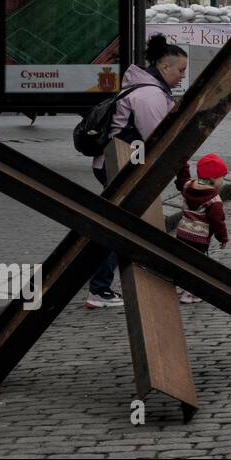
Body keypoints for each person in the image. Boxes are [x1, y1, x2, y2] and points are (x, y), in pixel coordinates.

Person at [85, 33, 189, 309]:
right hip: (119, 166)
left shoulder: (147, 89)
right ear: (164, 67)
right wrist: (182, 179)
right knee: (119, 227)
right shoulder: (149, 95)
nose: (182, 76)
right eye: (180, 70)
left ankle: (115, 281)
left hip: (117, 164)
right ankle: (100, 288)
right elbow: (159, 141)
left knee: (123, 224)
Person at [175, 153, 230, 304]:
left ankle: (183, 284)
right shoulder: (214, 200)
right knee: (197, 265)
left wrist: (183, 163)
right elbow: (217, 221)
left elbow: (182, 179)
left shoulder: (188, 187)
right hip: (199, 238)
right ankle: (190, 293)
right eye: (221, 177)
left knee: (185, 260)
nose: (223, 181)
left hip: (182, 233)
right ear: (213, 179)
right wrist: (223, 238)